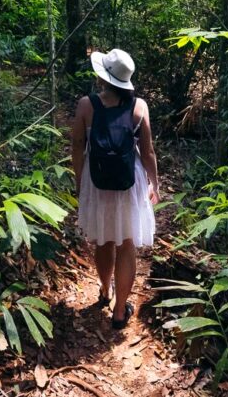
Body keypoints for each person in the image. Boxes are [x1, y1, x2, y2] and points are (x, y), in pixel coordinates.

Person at [71, 48, 159, 329]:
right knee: (127, 243)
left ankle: (105, 290)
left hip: (96, 180)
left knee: (103, 238)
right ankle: (120, 311)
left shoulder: (86, 105)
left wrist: (79, 180)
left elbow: (76, 146)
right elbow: (148, 153)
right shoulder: (139, 107)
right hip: (128, 182)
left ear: (103, 77)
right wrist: (154, 182)